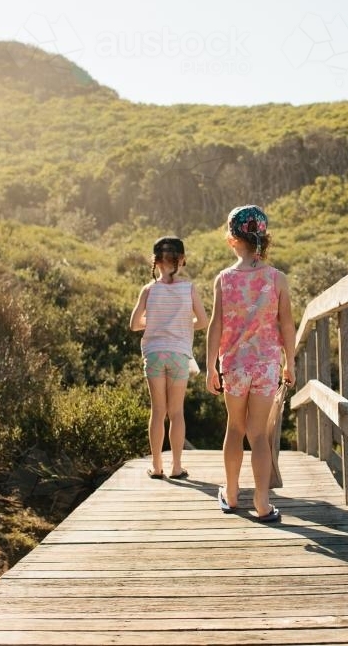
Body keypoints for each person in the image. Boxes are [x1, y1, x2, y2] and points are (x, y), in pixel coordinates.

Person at [206, 205, 295, 522]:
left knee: (235, 427)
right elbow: (287, 326)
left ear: (232, 239)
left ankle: (231, 494)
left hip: (234, 366)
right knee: (258, 434)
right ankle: (261, 502)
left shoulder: (224, 280)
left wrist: (210, 367)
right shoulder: (277, 279)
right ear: (264, 239)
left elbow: (215, 326)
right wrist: (290, 363)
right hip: (266, 366)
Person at [130, 236, 208, 480]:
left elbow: (134, 324)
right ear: (181, 260)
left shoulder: (149, 290)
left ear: (156, 262)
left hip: (154, 354)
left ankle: (156, 467)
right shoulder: (189, 289)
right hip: (178, 355)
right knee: (176, 412)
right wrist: (183, 326)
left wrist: (155, 324)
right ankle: (176, 467)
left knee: (158, 411)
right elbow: (203, 322)